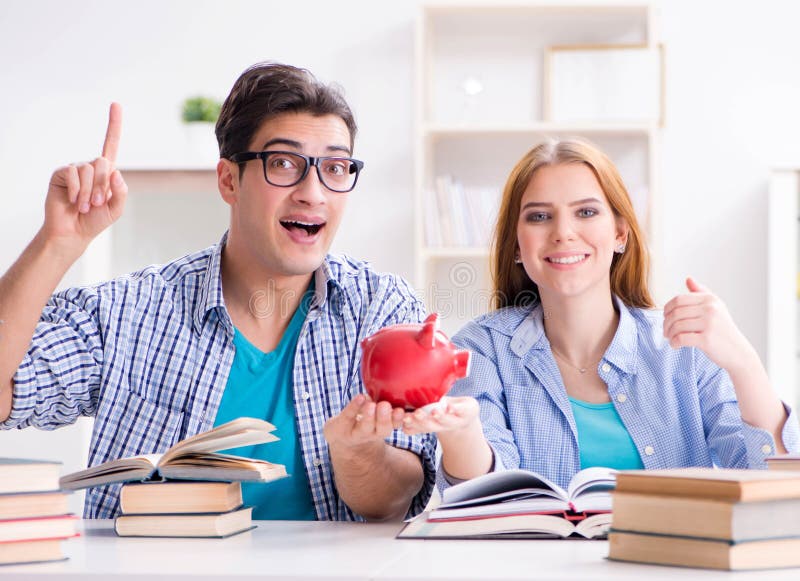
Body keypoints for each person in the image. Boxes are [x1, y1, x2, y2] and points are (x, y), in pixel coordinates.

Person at [0, 62, 435, 520]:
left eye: (335, 167)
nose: (314, 193)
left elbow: (393, 501)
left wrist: (356, 452)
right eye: (283, 163)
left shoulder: (382, 311)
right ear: (229, 180)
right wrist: (57, 244)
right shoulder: (130, 311)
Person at [403, 138, 799, 491]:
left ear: (620, 234)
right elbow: (486, 497)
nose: (563, 232)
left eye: (586, 212)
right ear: (517, 248)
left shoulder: (685, 349)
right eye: (539, 216)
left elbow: (775, 485)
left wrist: (744, 363)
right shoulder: (480, 349)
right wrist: (462, 433)